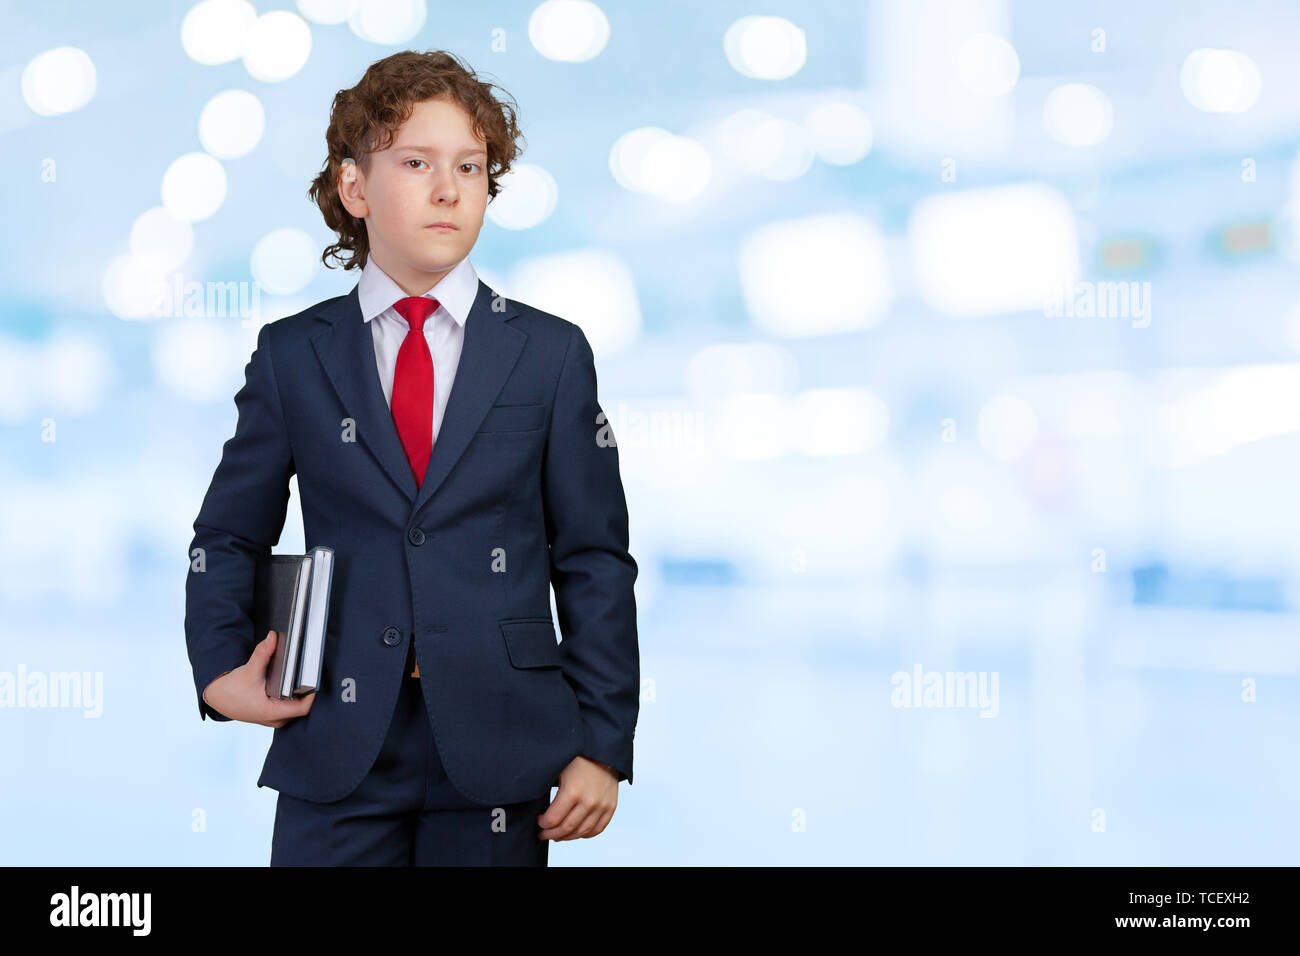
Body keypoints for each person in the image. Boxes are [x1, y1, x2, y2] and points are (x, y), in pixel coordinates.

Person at [184, 49, 639, 866]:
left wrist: (603, 742)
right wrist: (219, 671)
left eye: (471, 165)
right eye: (416, 162)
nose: (448, 188)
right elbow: (226, 534)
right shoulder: (294, 356)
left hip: (502, 749)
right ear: (354, 187)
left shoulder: (549, 353)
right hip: (335, 740)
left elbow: (595, 559)